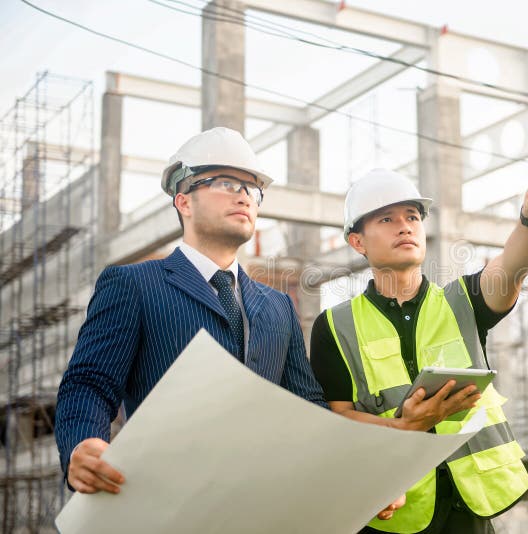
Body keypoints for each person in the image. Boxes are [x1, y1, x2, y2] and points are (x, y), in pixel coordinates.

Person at [54, 127, 328, 495]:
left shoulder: (278, 305)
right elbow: (90, 383)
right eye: (228, 183)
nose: (245, 196)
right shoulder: (133, 285)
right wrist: (82, 444)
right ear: (184, 201)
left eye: (252, 188)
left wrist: (356, 477)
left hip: (260, 504)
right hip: (166, 501)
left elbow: (307, 407)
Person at [310, 159, 528, 533]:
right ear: (357, 242)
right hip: (394, 509)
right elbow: (339, 418)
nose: (405, 226)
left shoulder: (462, 301)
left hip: (472, 504)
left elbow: (512, 267)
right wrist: (407, 426)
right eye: (386, 219)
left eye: (413, 216)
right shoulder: (334, 326)